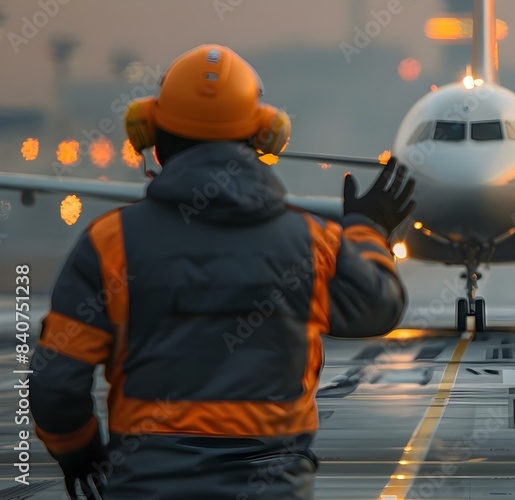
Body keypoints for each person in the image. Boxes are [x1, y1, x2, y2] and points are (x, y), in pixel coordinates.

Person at [29, 44, 414, 499]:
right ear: (266, 137)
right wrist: (368, 229)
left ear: (150, 132)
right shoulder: (311, 241)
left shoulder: (109, 242)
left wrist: (78, 452)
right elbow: (378, 308)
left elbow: (56, 384)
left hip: (148, 483)